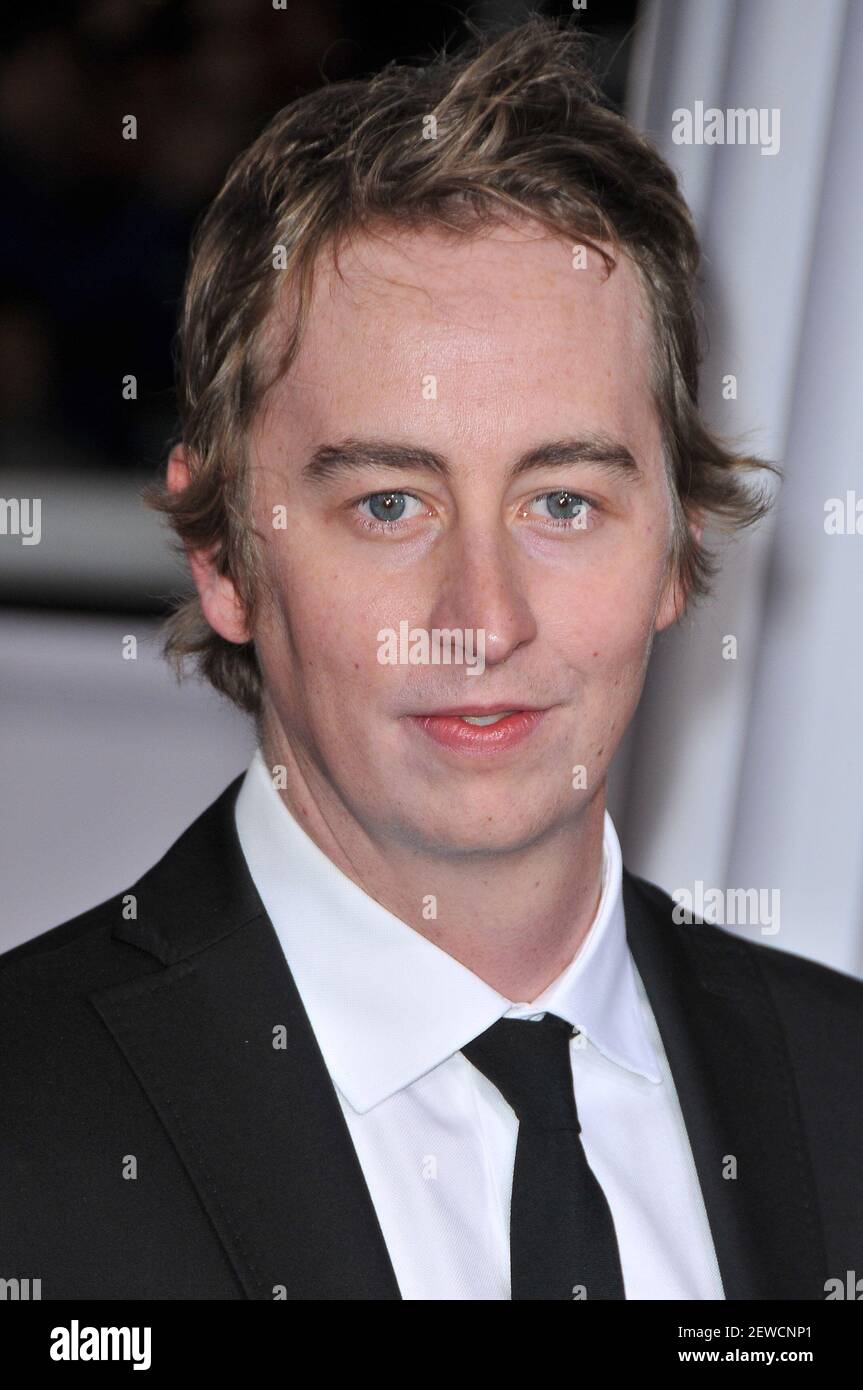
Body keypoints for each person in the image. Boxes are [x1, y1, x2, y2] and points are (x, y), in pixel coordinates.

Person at [2, 15, 861, 1302]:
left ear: (678, 549)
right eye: (389, 505)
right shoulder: (27, 1122)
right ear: (225, 555)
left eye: (562, 501)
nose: (482, 615)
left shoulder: (839, 1090)